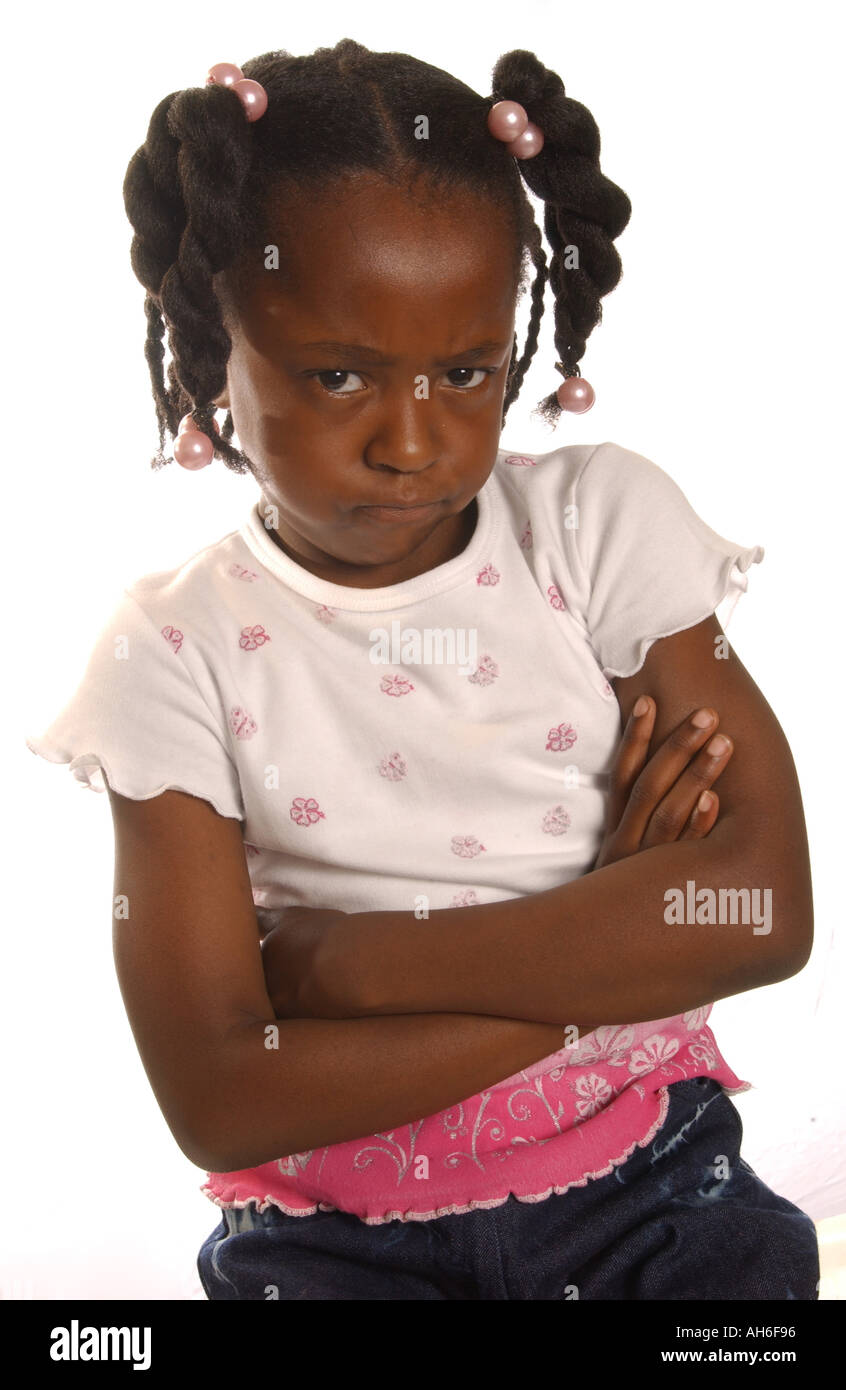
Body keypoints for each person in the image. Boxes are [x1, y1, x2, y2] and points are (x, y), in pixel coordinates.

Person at [25, 39, 820, 1301]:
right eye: (336, 374)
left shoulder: (598, 529)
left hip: (659, 1192)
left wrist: (355, 969)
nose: (411, 441)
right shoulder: (171, 654)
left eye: (467, 372)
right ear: (209, 353)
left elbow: (758, 911)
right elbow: (225, 1097)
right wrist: (606, 955)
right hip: (332, 1240)